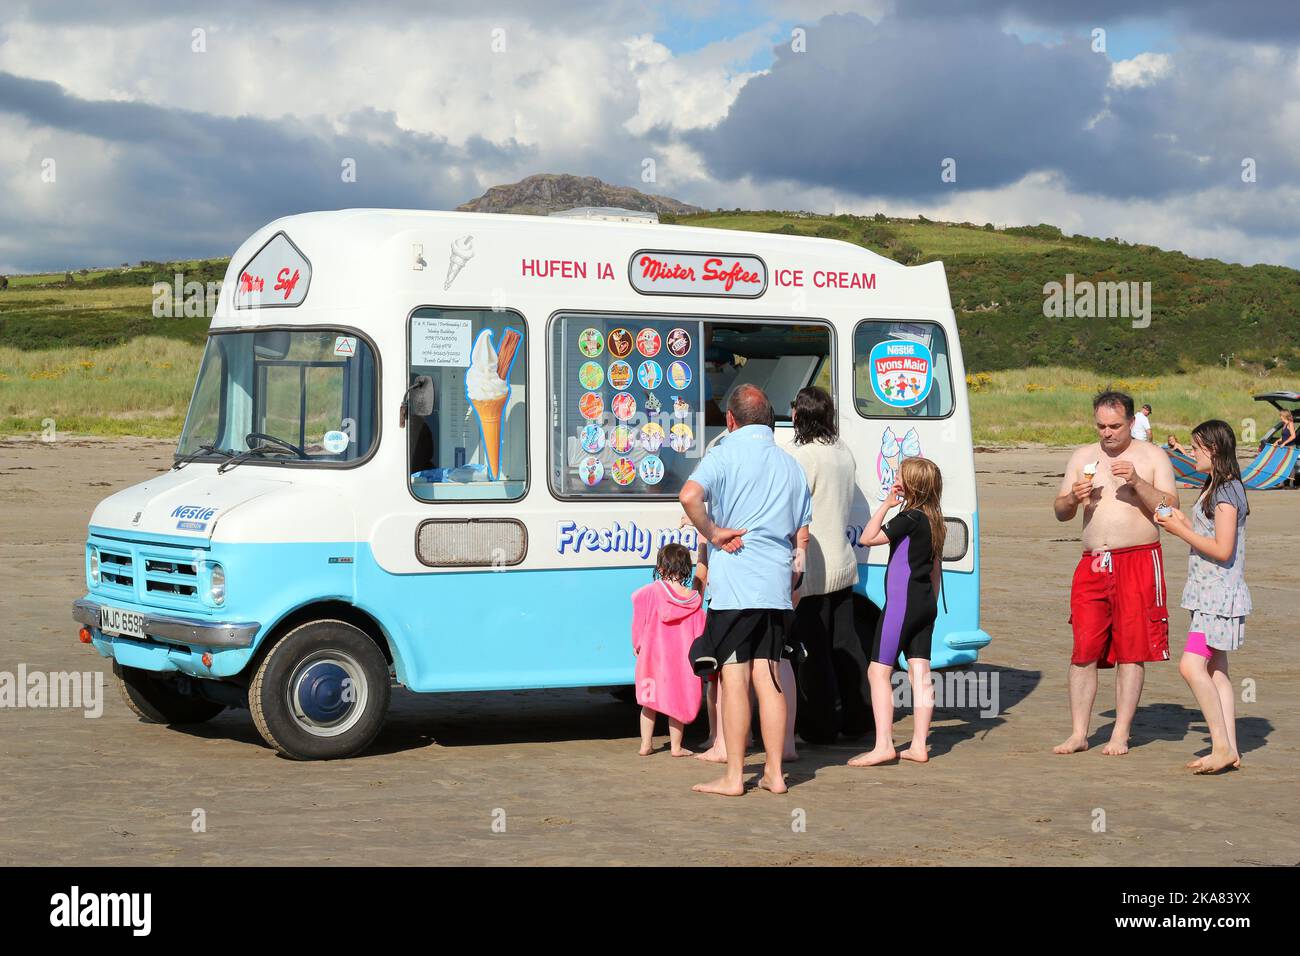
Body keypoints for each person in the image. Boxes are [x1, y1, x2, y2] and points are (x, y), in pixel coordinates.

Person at [680, 384, 811, 797]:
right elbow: (800, 532)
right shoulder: (791, 465)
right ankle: (774, 773)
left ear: (732, 420)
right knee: (769, 674)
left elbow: (689, 496)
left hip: (736, 585)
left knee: (734, 678)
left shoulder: (723, 454)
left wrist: (714, 533)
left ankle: (735, 776)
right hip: (774, 583)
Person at [1053, 391, 1179, 756]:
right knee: (1083, 648)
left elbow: (1170, 508)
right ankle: (1079, 733)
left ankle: (1120, 733)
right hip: (1093, 560)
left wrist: (1138, 483)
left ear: (1131, 423)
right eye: (1101, 426)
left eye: (1115, 426)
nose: (1107, 433)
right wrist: (1074, 498)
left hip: (1138, 558)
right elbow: (1060, 511)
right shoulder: (1082, 456)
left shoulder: (1152, 456)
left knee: (1132, 648)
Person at [1155, 420, 1250, 774]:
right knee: (1217, 669)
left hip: (1217, 595)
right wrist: (1181, 520)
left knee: (1191, 666)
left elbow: (1223, 550)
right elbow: (1210, 533)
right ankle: (1231, 749)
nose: (1191, 452)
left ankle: (1222, 746)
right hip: (1212, 594)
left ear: (1214, 450)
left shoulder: (1226, 492)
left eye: (1196, 448)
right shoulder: (1217, 486)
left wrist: (1179, 530)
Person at [786, 386, 872, 744]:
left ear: (801, 415)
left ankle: (819, 728)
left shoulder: (803, 456)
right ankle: (858, 718)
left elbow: (791, 509)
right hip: (842, 560)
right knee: (846, 645)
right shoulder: (842, 452)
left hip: (815, 566)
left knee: (813, 651)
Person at [849, 457, 945, 766]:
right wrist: (929, 606)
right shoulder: (934, 520)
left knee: (878, 670)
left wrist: (887, 504)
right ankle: (919, 745)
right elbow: (935, 570)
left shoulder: (910, 517)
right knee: (920, 671)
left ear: (911, 485)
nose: (896, 479)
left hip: (902, 604)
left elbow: (866, 538)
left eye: (901, 475)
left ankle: (883, 745)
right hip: (926, 603)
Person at [631, 543, 706, 757]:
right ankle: (676, 747)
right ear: (685, 569)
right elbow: (699, 630)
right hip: (680, 663)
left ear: (661, 569)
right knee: (677, 703)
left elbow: (638, 617)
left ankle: (646, 744)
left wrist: (637, 643)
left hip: (652, 659)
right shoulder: (693, 600)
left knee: (648, 703)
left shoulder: (650, 592)